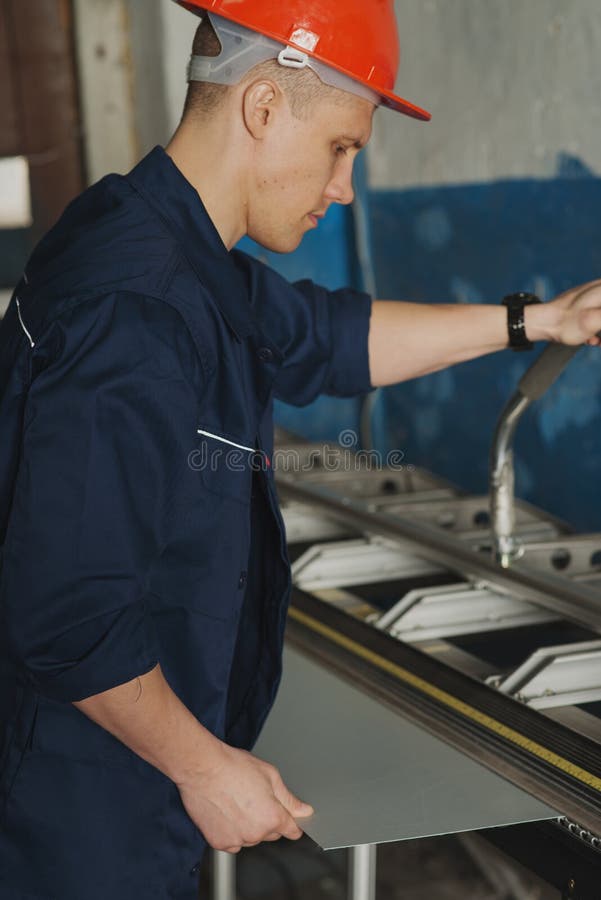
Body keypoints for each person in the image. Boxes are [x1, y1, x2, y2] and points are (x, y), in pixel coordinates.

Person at [0, 1, 600, 897]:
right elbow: (66, 611)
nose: (345, 187)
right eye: (341, 148)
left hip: (121, 779)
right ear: (263, 110)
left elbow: (330, 337)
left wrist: (536, 320)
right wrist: (206, 767)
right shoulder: (135, 310)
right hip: (75, 811)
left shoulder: (172, 246)